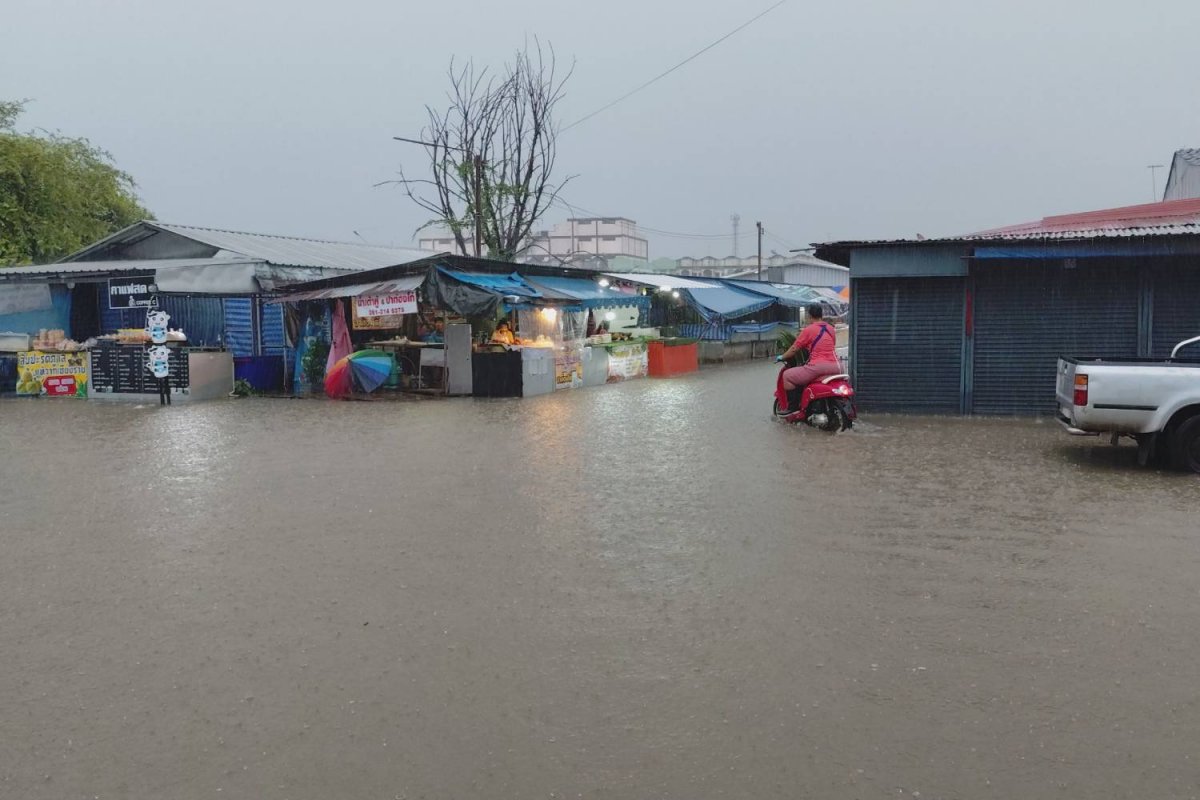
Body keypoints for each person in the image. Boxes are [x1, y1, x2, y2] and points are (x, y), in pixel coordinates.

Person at [777, 304, 842, 409]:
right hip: (837, 366)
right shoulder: (830, 329)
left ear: (809, 316)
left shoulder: (809, 330)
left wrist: (782, 357)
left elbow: (794, 349)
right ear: (822, 315)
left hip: (818, 367)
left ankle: (793, 409)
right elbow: (831, 345)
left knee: (787, 376)